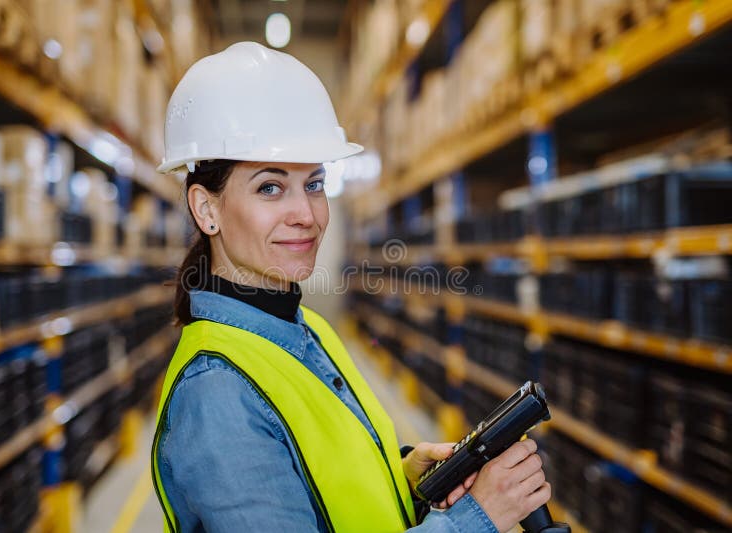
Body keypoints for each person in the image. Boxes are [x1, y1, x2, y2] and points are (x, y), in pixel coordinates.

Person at [151, 41, 550, 533]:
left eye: (314, 184)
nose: (306, 215)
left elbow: (320, 488)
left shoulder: (305, 330)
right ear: (205, 209)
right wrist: (475, 520)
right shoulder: (216, 392)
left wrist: (399, 478)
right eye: (270, 187)